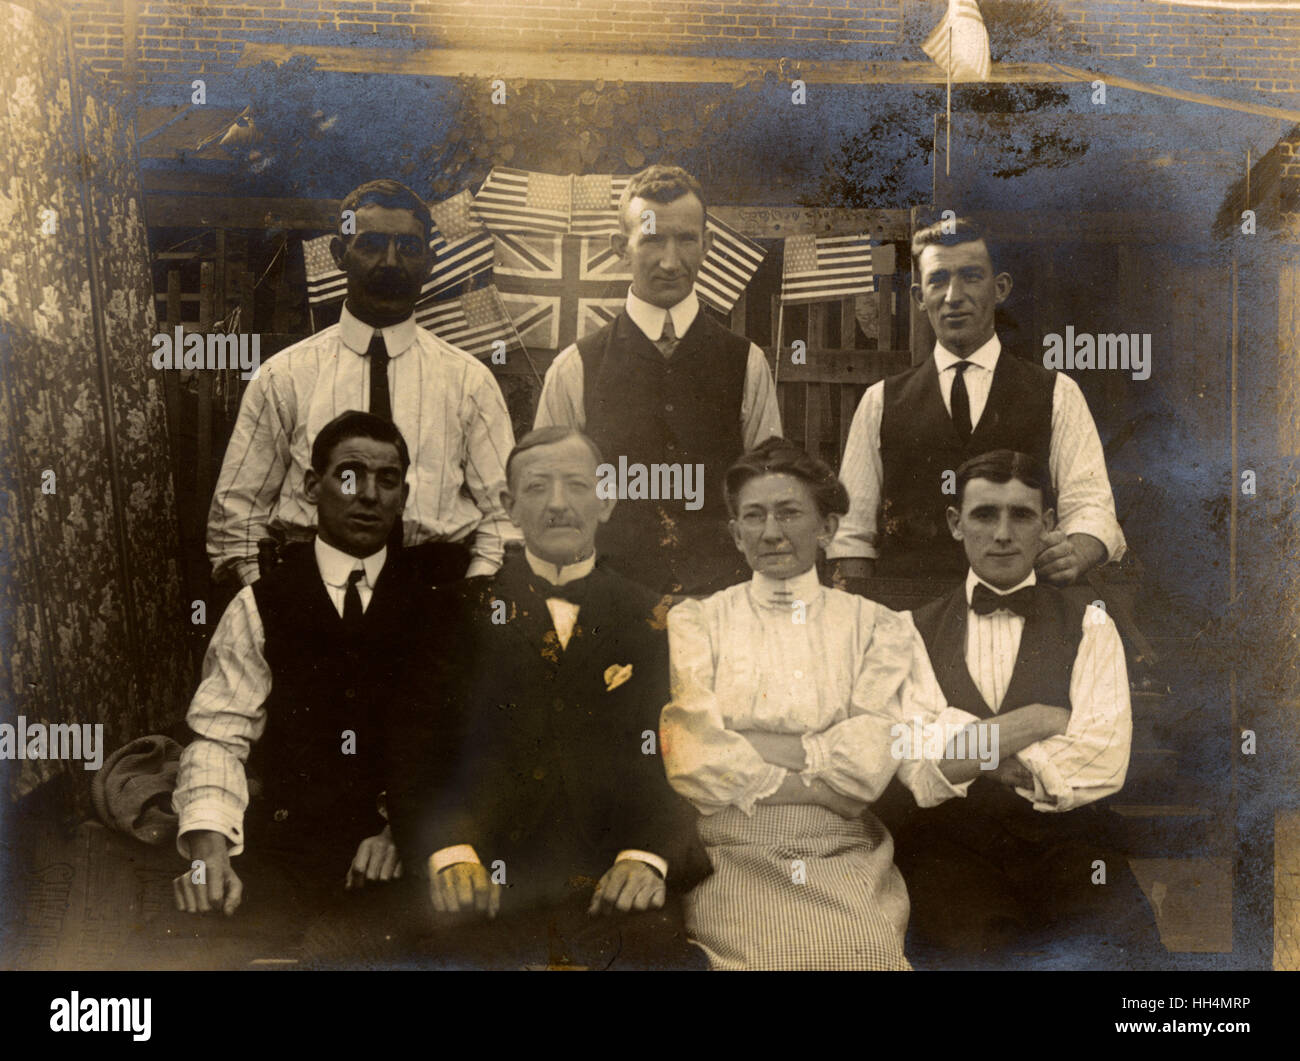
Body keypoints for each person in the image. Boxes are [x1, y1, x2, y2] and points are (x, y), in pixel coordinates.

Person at [385, 426, 710, 970]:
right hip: (486, 882)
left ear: (604, 500)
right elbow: (416, 753)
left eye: (577, 486)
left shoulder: (656, 617)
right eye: (536, 489)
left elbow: (682, 760)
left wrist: (646, 857)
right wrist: (450, 853)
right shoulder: (452, 612)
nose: (558, 504)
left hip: (610, 885)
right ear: (510, 507)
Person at [659, 437, 977, 970]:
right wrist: (824, 776)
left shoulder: (877, 627)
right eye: (753, 517)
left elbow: (868, 765)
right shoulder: (699, 622)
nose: (771, 532)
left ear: (827, 528)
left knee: (860, 958)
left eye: (789, 513)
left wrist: (752, 740)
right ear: (736, 534)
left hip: (843, 850)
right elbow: (694, 758)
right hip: (730, 848)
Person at [171, 412, 430, 960]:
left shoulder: (440, 604)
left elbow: (463, 744)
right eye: (349, 475)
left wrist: (402, 829)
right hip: (286, 851)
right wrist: (209, 848)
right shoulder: (262, 603)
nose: (369, 495)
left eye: (387, 480)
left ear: (405, 495)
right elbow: (219, 737)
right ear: (313, 486)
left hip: (403, 854)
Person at [894, 450, 1153, 968]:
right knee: (970, 949)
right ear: (955, 523)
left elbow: (1102, 759)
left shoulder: (1091, 625)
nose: (1003, 534)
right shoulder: (909, 631)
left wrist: (967, 747)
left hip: (1070, 845)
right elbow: (920, 768)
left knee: (1120, 952)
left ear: (1049, 525)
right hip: (953, 848)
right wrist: (1033, 722)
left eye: (1022, 515)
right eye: (985, 514)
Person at [207, 178, 518, 590]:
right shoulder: (284, 377)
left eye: (407, 248)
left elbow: (506, 519)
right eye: (370, 245)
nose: (390, 263)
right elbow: (236, 519)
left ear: (429, 261)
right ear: (340, 256)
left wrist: (471, 596)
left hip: (432, 594)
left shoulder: (468, 381)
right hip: (312, 591)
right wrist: (272, 604)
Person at [828, 216, 1125, 590]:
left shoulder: (1057, 393)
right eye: (938, 280)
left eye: (970, 276)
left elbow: (1092, 508)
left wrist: (1077, 552)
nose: (954, 296)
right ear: (920, 298)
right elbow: (852, 533)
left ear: (999, 288)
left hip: (1025, 612)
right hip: (913, 618)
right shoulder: (880, 402)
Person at [534, 164, 781, 595]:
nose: (670, 261)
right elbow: (547, 503)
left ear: (707, 245)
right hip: (607, 609)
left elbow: (770, 495)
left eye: (685, 239)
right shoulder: (575, 366)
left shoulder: (746, 362)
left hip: (720, 602)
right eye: (651, 239)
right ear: (621, 247)